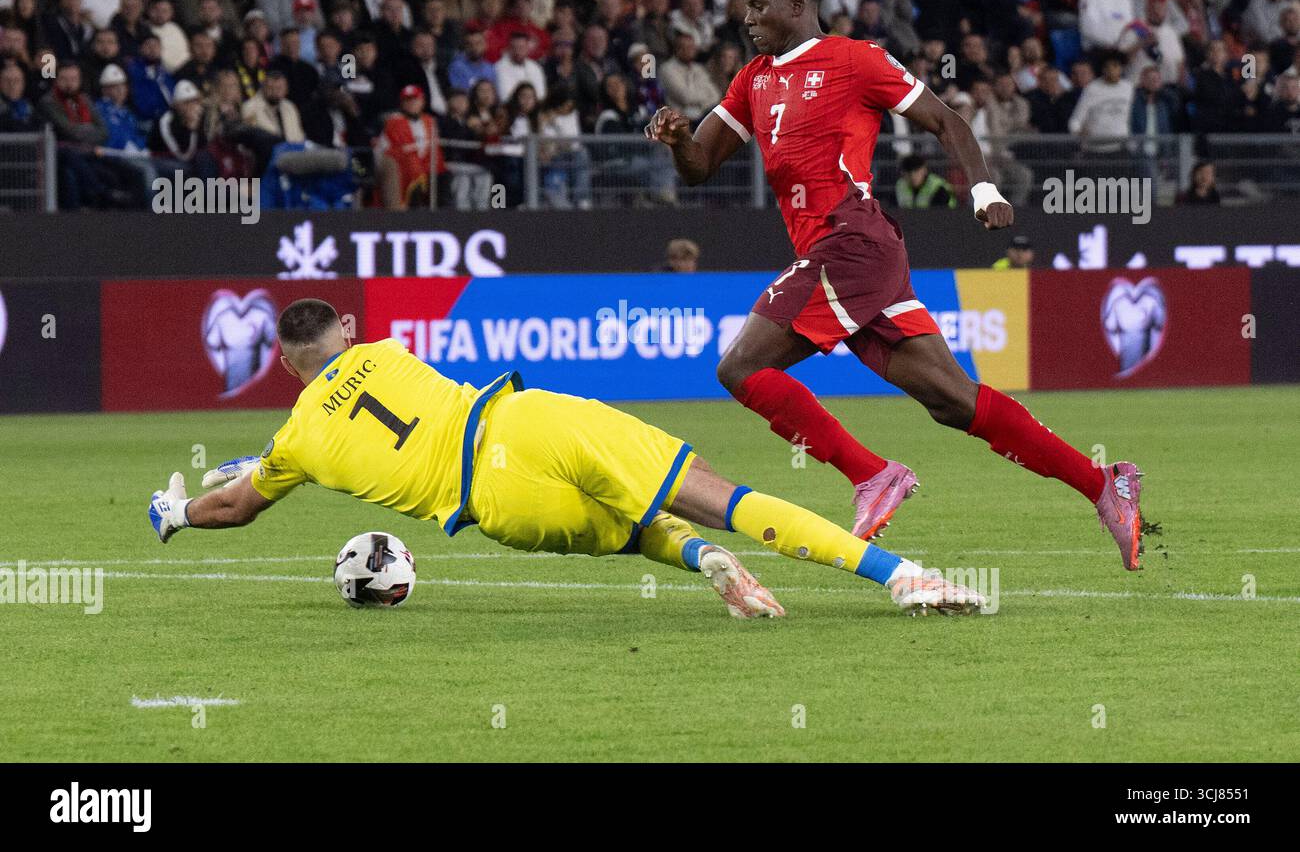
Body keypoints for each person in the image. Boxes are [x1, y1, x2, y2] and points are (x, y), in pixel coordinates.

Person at [645, 0, 1146, 570]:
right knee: (953, 400)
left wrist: (985, 190)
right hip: (851, 257)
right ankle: (1105, 485)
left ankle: (872, 474)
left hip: (851, 241)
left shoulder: (856, 61)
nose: (746, 15)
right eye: (745, 5)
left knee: (740, 368)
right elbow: (700, 166)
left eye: (758, 3)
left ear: (798, 4)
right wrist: (676, 142)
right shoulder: (754, 79)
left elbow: (947, 120)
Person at [149, 299, 988, 619]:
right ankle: (902, 576)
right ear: (349, 338)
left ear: (287, 367)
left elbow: (242, 501)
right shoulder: (390, 351)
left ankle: (697, 560)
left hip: (497, 508)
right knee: (718, 494)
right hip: (522, 421)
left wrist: (178, 512)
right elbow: (347, 392)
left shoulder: (297, 441)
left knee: (636, 534)